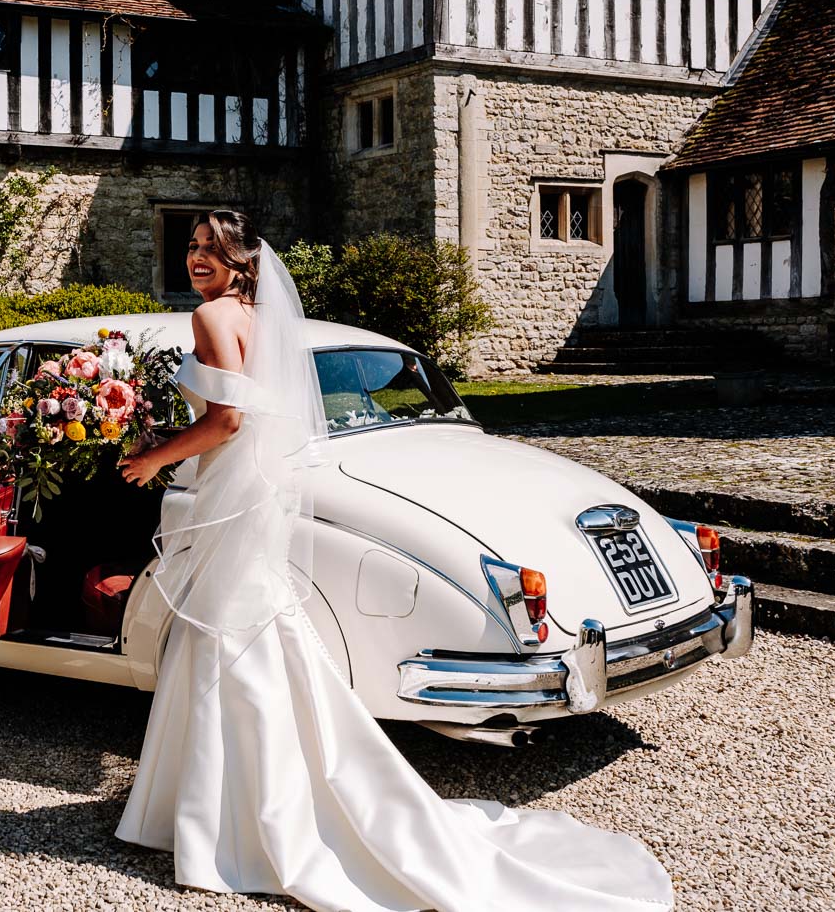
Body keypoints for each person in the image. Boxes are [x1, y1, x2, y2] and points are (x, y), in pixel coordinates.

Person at [116, 210, 673, 912]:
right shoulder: (264, 321)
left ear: (242, 260)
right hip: (252, 494)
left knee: (224, 637)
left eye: (212, 249)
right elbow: (253, 415)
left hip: (231, 492)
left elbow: (227, 420)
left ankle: (224, 820)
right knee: (248, 636)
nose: (198, 258)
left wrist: (152, 457)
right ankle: (227, 808)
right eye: (193, 247)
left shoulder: (209, 318)